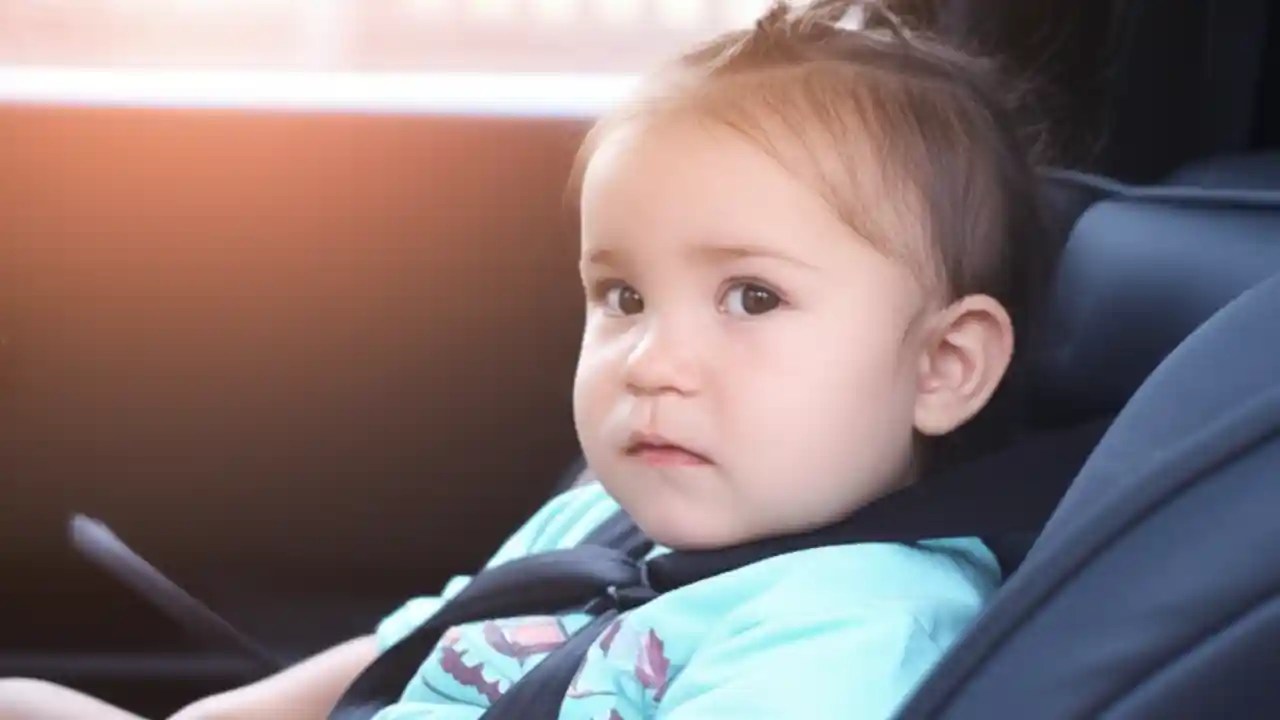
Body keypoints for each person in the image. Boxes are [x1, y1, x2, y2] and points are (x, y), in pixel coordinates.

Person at [0, 1, 1048, 717]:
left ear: (940, 367)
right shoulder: (600, 519)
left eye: (752, 298)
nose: (650, 360)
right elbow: (388, 658)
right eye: (622, 297)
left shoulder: (855, 624)